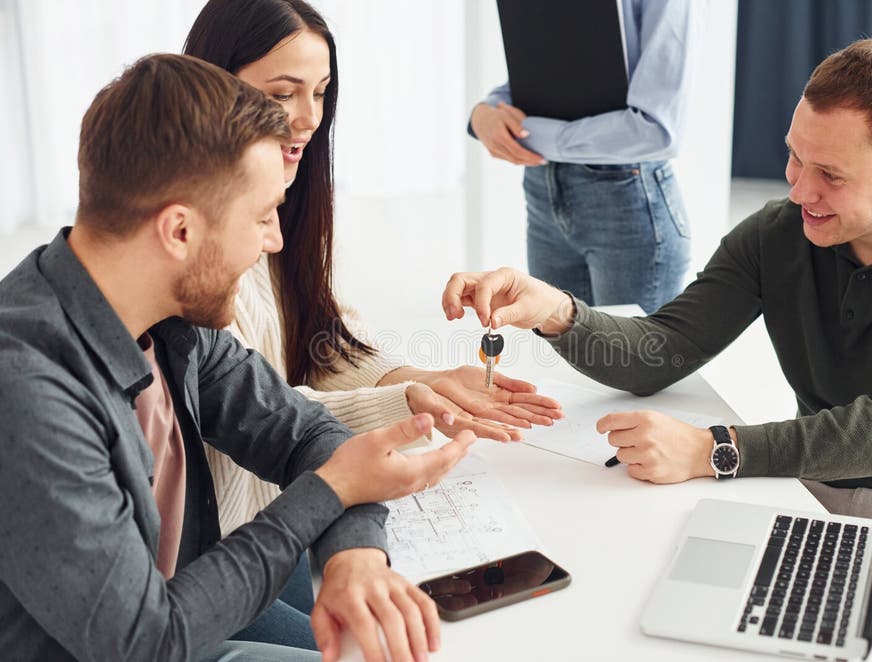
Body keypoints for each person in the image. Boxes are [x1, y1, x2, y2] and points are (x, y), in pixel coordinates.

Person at [444, 36, 872, 654]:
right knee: (665, 615)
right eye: (794, 158)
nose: (798, 190)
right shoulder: (780, 233)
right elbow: (665, 347)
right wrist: (556, 310)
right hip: (812, 484)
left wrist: (715, 451)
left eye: (830, 175)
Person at [0, 53, 475, 662]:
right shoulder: (29, 394)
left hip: (189, 615)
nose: (275, 238)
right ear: (179, 231)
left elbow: (307, 434)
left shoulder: (163, 314)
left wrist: (354, 556)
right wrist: (330, 492)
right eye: (260, 216)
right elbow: (148, 641)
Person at [183, 0, 562, 538]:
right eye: (282, 94)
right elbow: (255, 408)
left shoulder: (288, 198)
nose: (311, 118)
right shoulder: (191, 249)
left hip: (288, 512)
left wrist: (420, 381)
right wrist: (403, 401)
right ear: (210, 87)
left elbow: (321, 337)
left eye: (320, 92)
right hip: (241, 533)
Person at [468, 0, 702, 313]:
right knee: (555, 357)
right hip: (544, 190)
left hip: (626, 203)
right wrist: (486, 113)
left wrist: (529, 132)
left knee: (627, 358)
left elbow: (657, 129)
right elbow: (550, 71)